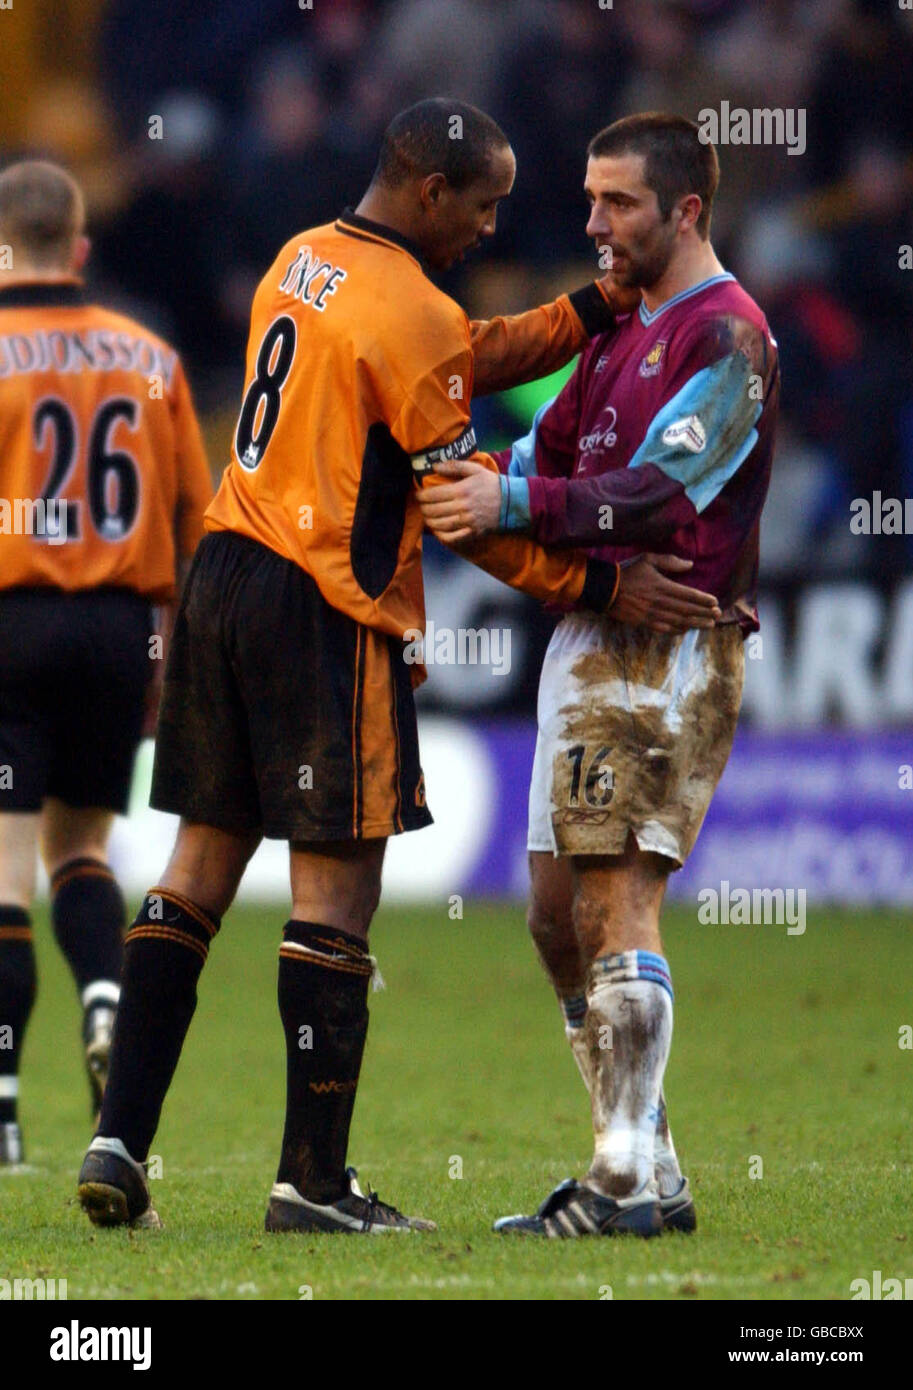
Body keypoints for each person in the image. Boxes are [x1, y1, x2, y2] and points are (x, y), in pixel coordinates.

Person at [76, 99, 720, 1234]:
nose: (491, 223)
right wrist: (608, 585)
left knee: (192, 874)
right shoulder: (413, 307)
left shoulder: (305, 257)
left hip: (224, 571)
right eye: (485, 202)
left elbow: (450, 351)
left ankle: (119, 1140)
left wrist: (582, 313)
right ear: (431, 191)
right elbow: (459, 510)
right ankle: (312, 1185)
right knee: (336, 897)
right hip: (321, 604)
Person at [420, 112, 780, 1238]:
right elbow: (544, 455)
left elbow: (667, 493)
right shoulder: (619, 331)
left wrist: (513, 505)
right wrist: (455, 471)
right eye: (587, 200)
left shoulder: (731, 340)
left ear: (685, 210)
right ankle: (651, 1163)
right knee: (549, 915)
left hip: (667, 644)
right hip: (589, 635)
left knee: (615, 895)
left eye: (616, 203)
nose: (592, 224)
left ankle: (620, 1174)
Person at [0, 160, 212, 1166]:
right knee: (80, 847)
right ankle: (105, 996)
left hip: (13, 618)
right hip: (124, 627)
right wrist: (169, 640)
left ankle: (0, 1106)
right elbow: (196, 514)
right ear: (80, 249)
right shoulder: (151, 357)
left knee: (4, 868)